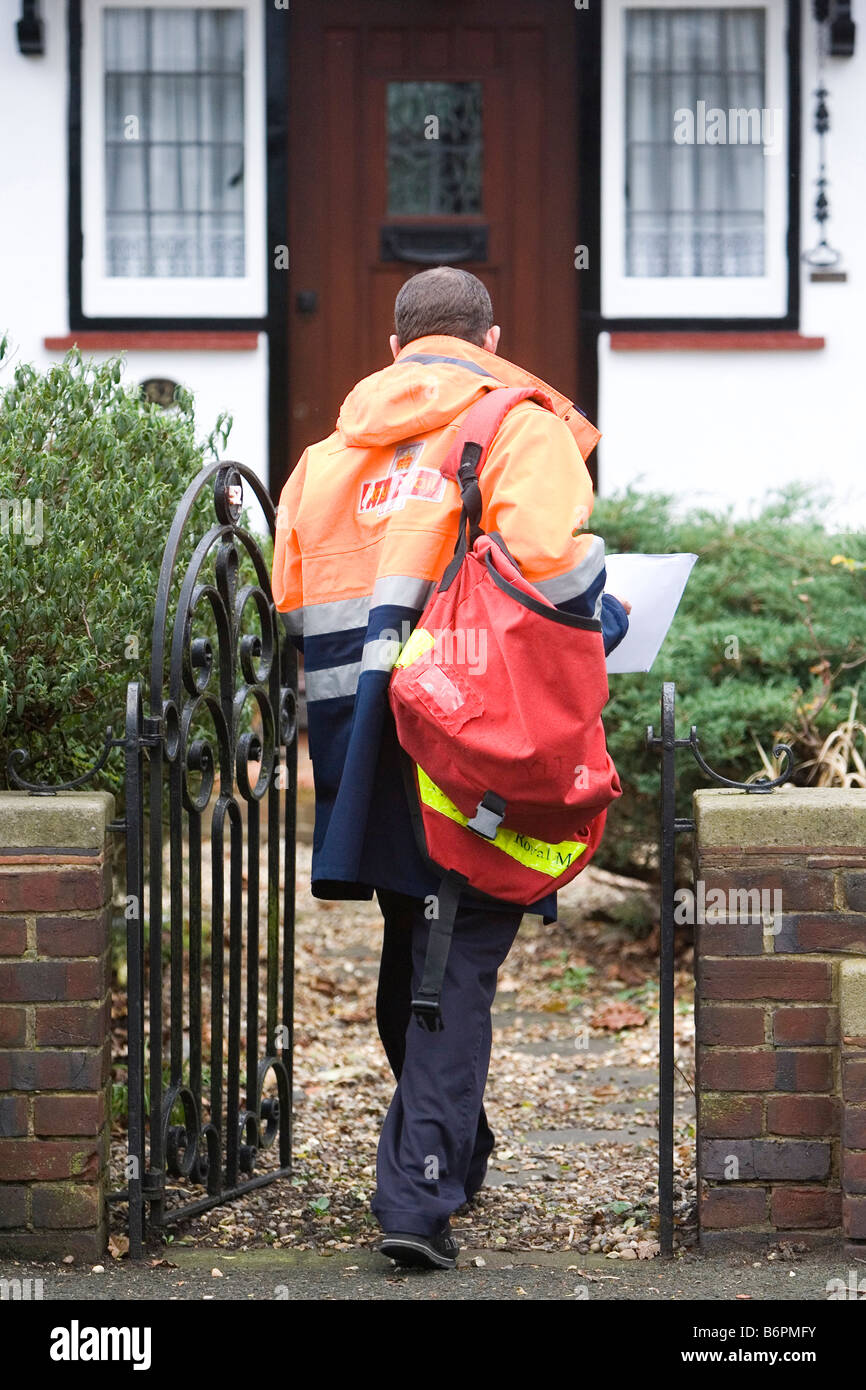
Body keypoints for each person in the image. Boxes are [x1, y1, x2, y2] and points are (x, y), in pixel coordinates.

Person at [271, 267, 629, 1270]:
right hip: (473, 732)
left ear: (394, 351)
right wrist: (611, 615)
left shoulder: (326, 456)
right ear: (490, 336)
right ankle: (417, 1190)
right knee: (457, 956)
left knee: (416, 944)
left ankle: (452, 1145)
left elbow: (291, 599)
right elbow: (553, 574)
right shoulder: (521, 426)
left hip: (362, 738)